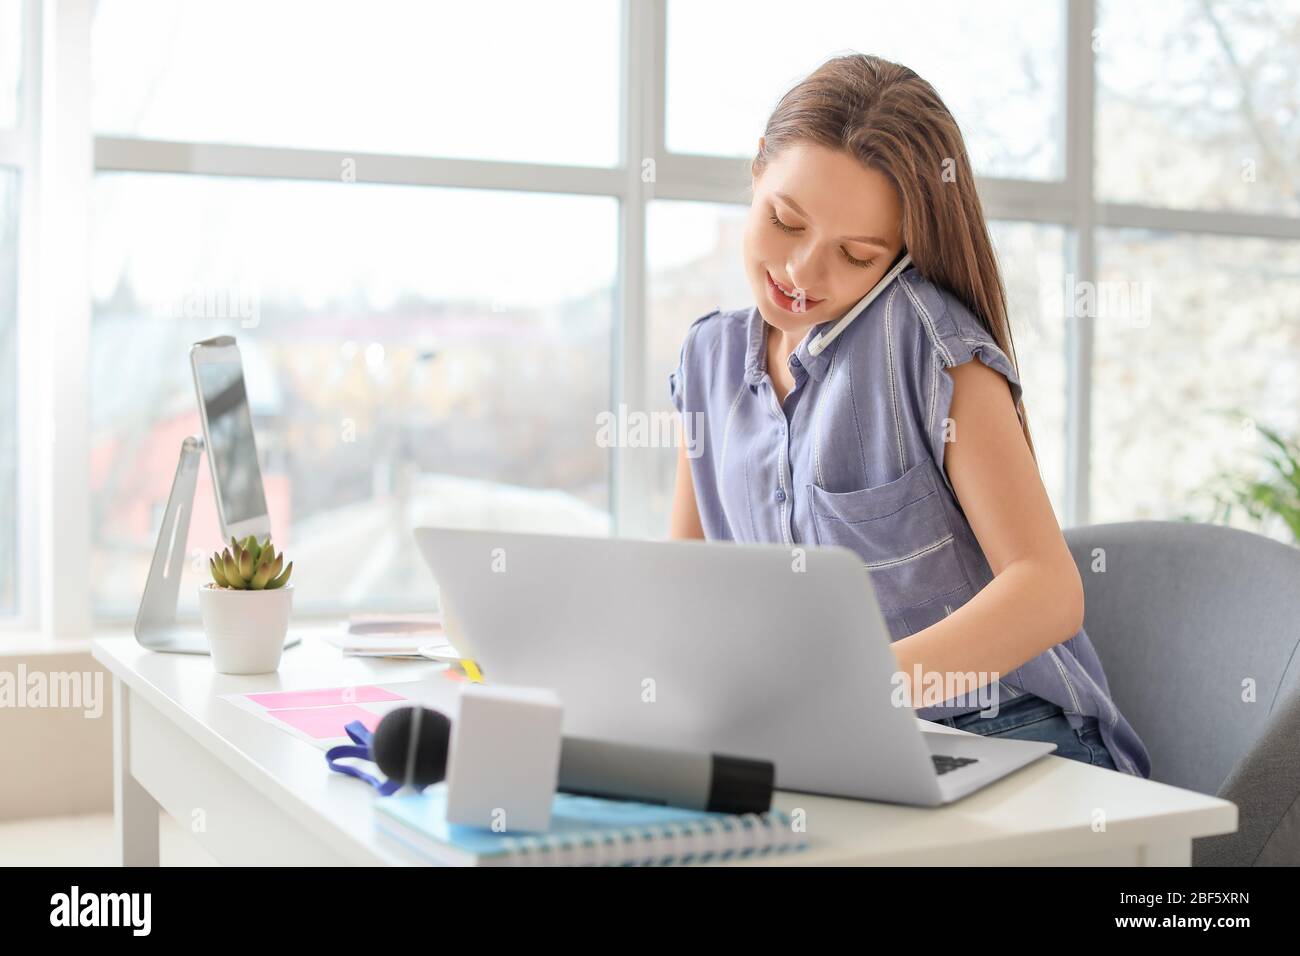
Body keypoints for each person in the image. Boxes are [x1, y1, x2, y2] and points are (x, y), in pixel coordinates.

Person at [668, 53, 1150, 777]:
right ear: (757, 171)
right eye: (785, 220)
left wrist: (859, 690)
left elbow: (1048, 591)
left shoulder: (933, 349)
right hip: (821, 740)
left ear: (900, 256)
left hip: (1010, 736)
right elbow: (685, 580)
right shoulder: (708, 357)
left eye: (856, 255)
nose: (803, 272)